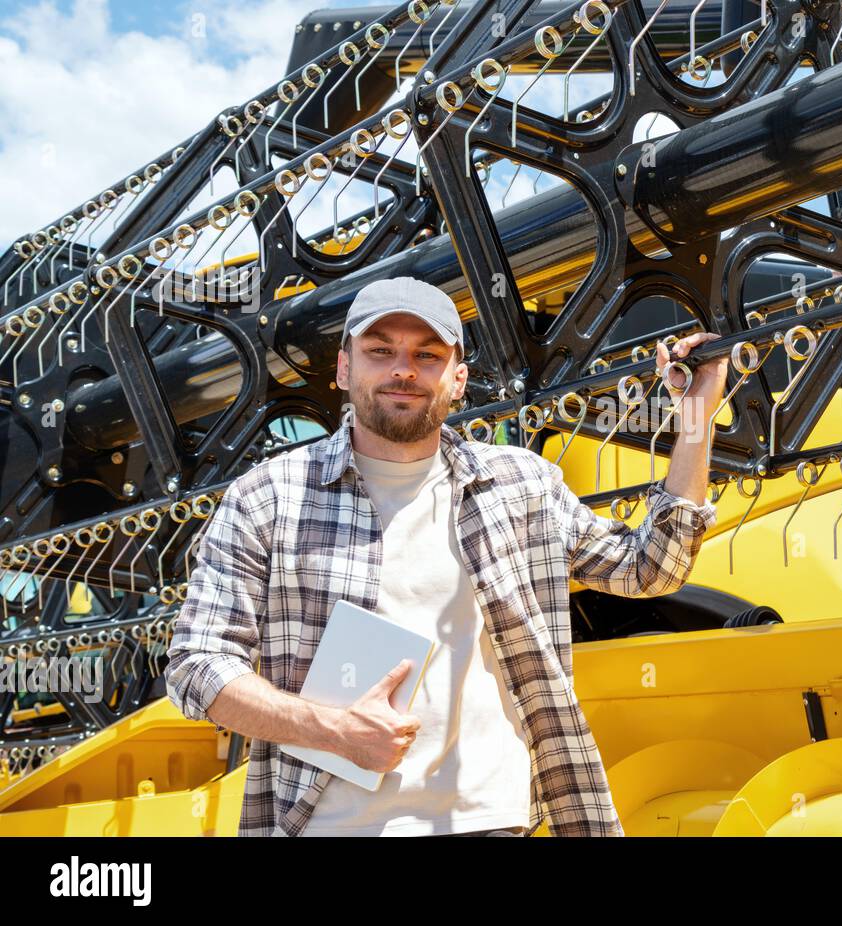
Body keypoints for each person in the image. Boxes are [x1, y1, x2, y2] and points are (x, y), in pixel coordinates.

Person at [166, 276, 726, 836]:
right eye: (380, 351)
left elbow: (651, 568)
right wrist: (333, 728)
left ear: (458, 380)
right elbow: (197, 665)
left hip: (492, 822)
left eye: (427, 355)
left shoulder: (521, 486)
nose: (403, 369)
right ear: (342, 369)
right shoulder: (270, 497)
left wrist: (697, 414)